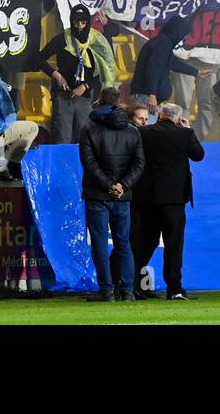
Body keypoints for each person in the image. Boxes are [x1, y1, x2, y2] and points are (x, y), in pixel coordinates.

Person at [132, 101, 205, 301]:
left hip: (146, 199)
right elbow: (198, 155)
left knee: (145, 243)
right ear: (177, 117)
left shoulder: (144, 133)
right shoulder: (184, 134)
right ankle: (174, 289)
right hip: (174, 201)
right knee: (173, 244)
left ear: (160, 115)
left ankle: (130, 284)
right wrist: (188, 129)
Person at [80, 89, 146, 302]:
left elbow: (89, 164)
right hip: (122, 197)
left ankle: (106, 291)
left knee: (99, 243)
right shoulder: (133, 131)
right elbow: (139, 163)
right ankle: (127, 291)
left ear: (99, 101)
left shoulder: (90, 129)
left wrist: (108, 185)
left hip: (97, 195)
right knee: (123, 244)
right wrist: (122, 186)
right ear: (119, 103)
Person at [36, 4, 116, 144]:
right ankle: (61, 165)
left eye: (83, 22)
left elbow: (106, 71)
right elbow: (39, 58)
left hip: (85, 97)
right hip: (63, 94)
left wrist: (85, 86)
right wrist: (57, 76)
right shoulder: (63, 38)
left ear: (88, 22)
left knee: (84, 139)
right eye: (76, 22)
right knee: (62, 137)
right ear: (71, 21)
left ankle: (81, 166)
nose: (80, 26)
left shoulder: (97, 41)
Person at [130, 16, 212, 111]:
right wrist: (152, 94)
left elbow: (173, 63)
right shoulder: (162, 43)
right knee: (145, 124)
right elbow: (153, 69)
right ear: (178, 31)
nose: (184, 39)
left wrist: (196, 72)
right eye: (184, 35)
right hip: (146, 98)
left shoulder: (166, 43)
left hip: (151, 99)